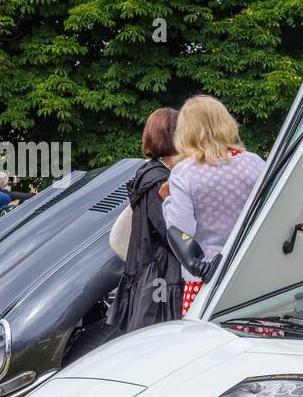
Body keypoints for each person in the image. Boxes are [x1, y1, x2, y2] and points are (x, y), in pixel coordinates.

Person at [162, 96, 265, 316]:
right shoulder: (254, 162)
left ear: (186, 130)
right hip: (252, 270)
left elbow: (182, 230)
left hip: (206, 275)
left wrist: (168, 200)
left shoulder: (185, 172)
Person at [108, 108, 184, 332]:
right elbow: (169, 230)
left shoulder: (148, 173)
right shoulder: (158, 180)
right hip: (161, 273)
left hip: (149, 271)